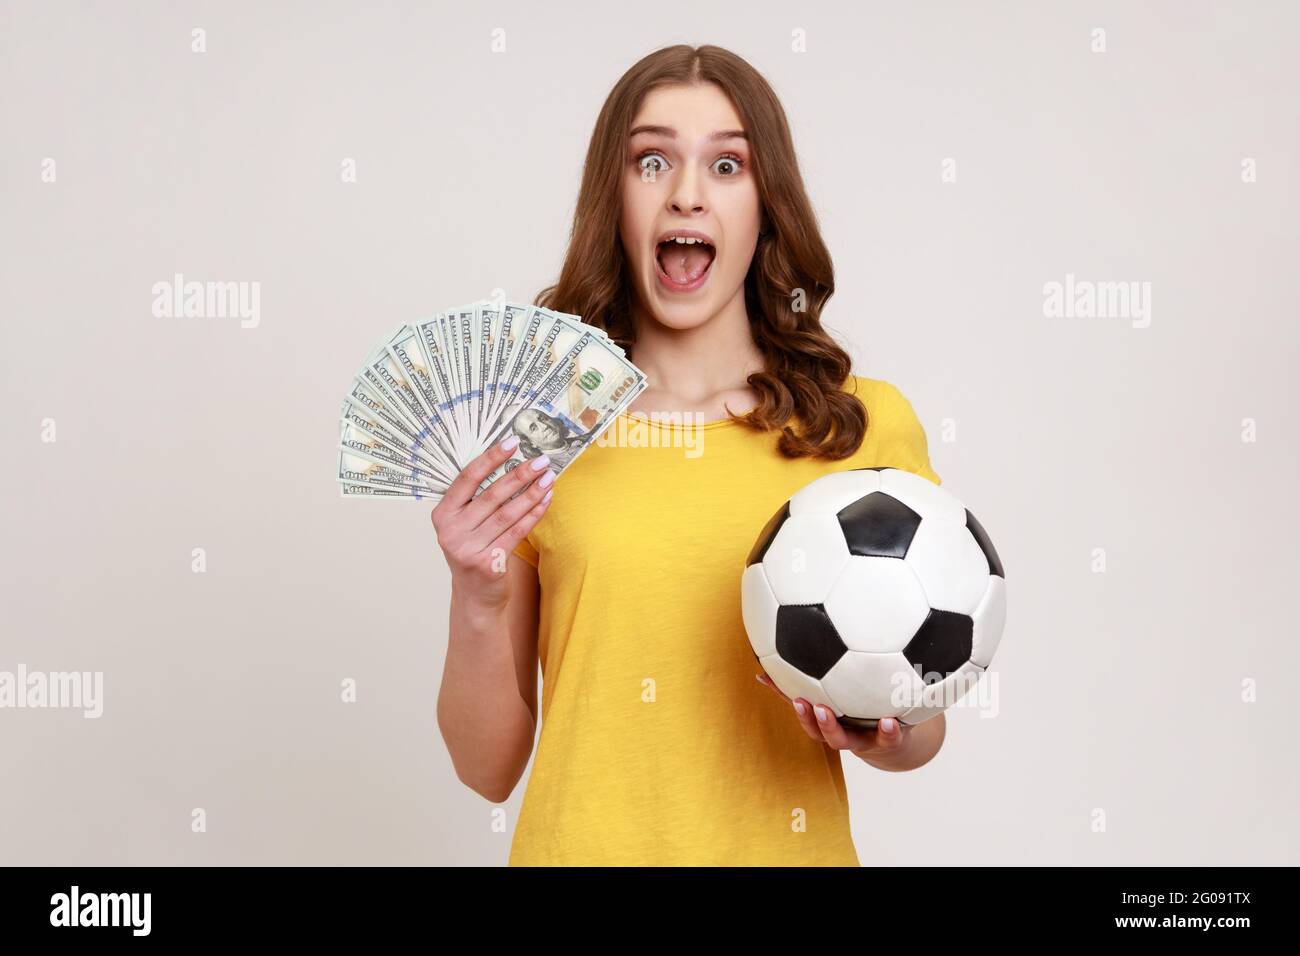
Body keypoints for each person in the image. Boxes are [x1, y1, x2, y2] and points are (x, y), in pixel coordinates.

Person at [432, 44, 946, 867]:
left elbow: (923, 730)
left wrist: (883, 736)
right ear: (618, 198)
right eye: (653, 159)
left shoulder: (858, 425)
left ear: (766, 204)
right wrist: (475, 597)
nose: (687, 194)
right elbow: (485, 769)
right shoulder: (546, 433)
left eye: (729, 164)